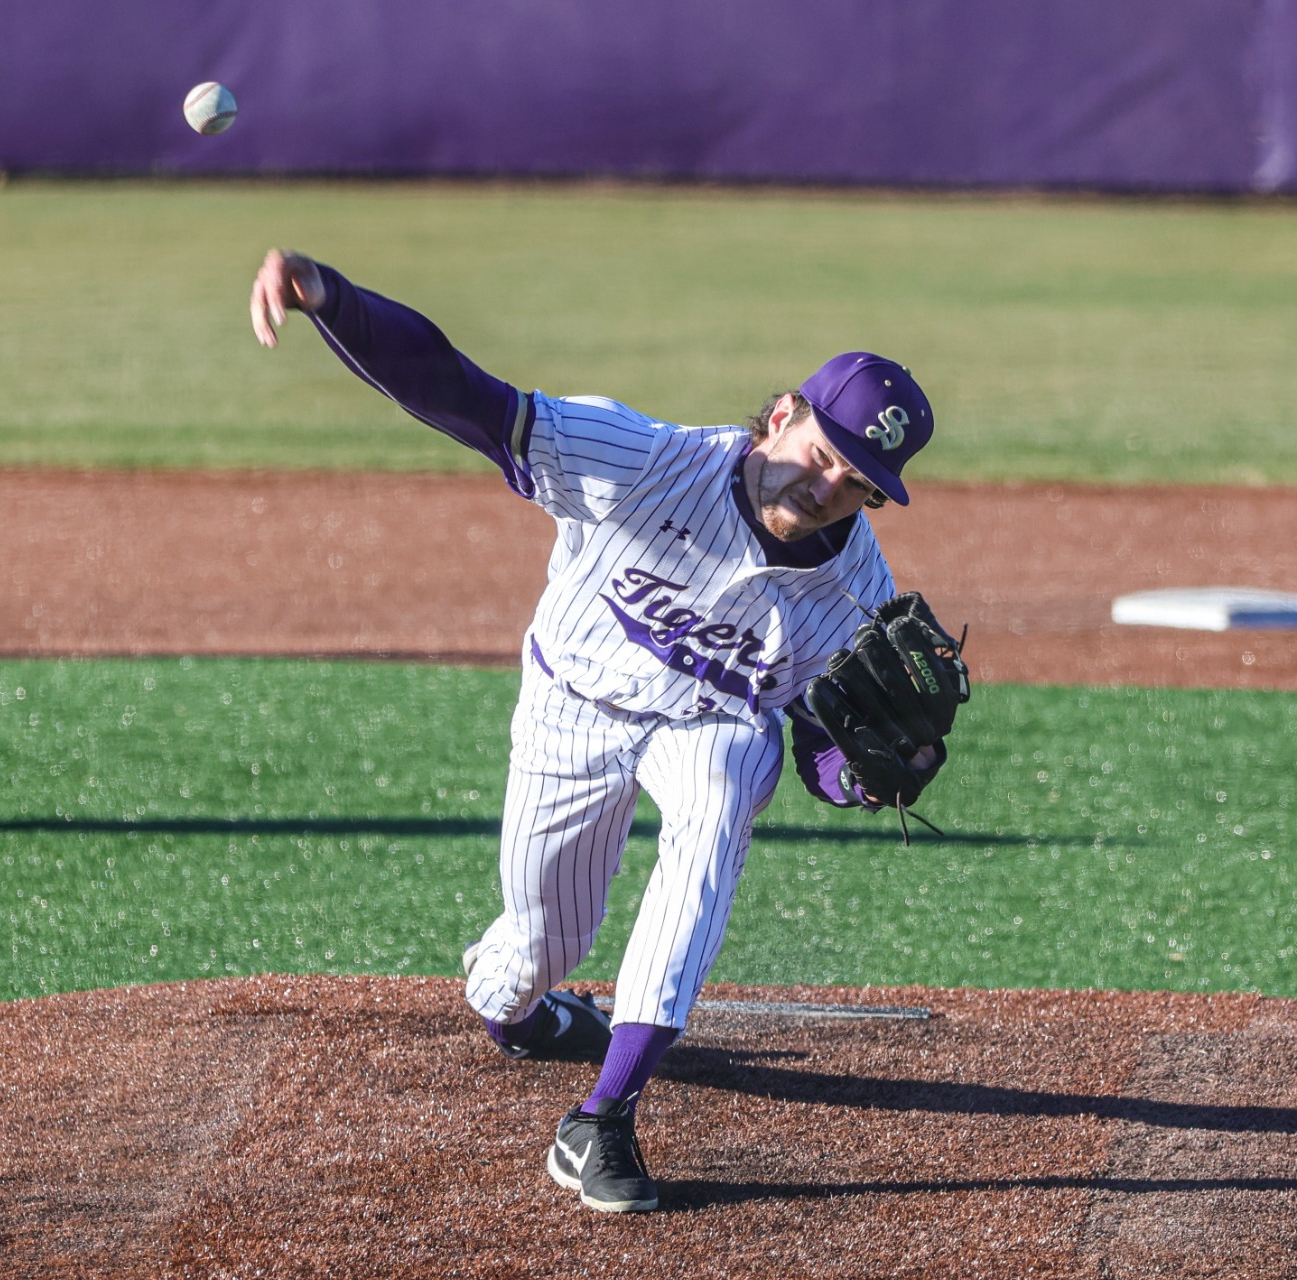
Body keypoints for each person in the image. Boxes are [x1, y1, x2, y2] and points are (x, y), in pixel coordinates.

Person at [249, 249, 941, 1213]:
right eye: (823, 453)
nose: (829, 486)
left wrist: (866, 776)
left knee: (726, 792)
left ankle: (603, 1115)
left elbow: (822, 742)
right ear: (782, 416)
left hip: (707, 722)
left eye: (858, 481)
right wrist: (332, 297)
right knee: (534, 949)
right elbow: (465, 396)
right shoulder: (643, 459)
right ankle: (523, 1013)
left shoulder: (856, 592)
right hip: (571, 704)